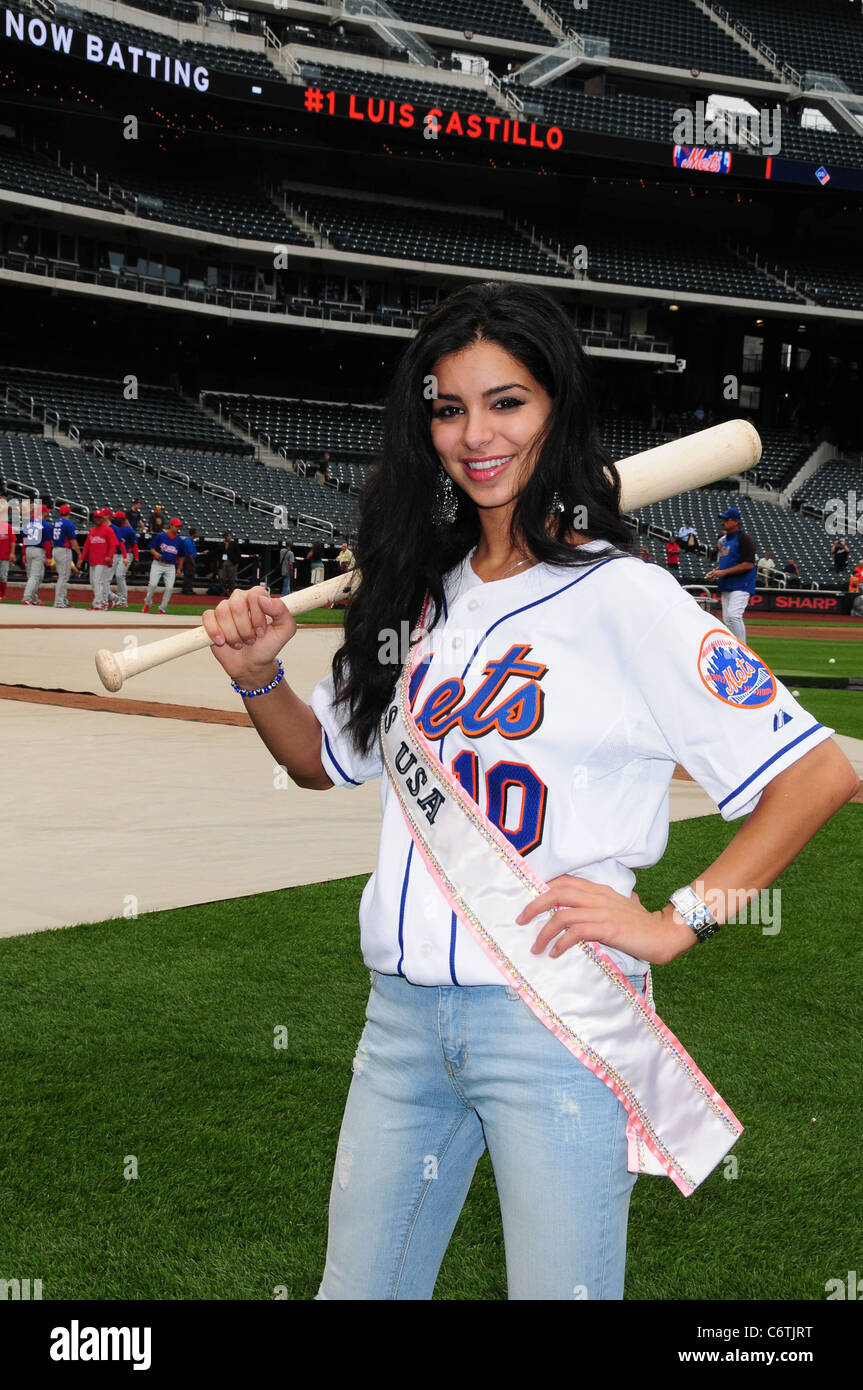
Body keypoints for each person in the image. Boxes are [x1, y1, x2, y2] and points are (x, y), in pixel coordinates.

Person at [201, 281, 859, 1301]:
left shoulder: (626, 597)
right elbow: (319, 759)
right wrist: (255, 677)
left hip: (552, 1016)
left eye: (506, 401)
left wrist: (678, 920)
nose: (475, 434)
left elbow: (814, 772)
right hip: (402, 1023)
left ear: (555, 412)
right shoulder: (413, 593)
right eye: (448, 406)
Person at [704, 506, 756, 642]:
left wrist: (723, 572)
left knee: (734, 616)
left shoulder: (744, 539)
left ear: (736, 522)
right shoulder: (724, 540)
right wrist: (716, 572)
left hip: (741, 584)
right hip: (727, 584)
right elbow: (726, 562)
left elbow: (749, 564)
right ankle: (733, 647)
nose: (723, 522)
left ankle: (743, 649)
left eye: (726, 520)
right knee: (727, 619)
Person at [79, 509, 123, 610]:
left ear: (103, 518)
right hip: (93, 560)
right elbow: (86, 546)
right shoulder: (92, 530)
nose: (98, 519)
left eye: (100, 517)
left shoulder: (108, 530)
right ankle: (106, 601)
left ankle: (98, 604)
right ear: (94, 519)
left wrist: (109, 556)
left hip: (103, 561)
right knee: (93, 582)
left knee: (98, 581)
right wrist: (81, 559)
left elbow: (113, 545)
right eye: (96, 517)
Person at [143, 517, 184, 613]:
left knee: (169, 588)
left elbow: (181, 556)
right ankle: (147, 603)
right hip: (158, 564)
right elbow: (151, 548)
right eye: (177, 526)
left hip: (170, 566)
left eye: (179, 527)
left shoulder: (180, 541)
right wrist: (155, 553)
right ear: (171, 526)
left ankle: (162, 609)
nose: (178, 528)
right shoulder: (161, 536)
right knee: (152, 585)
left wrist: (179, 569)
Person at [20, 504, 53, 606]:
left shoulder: (28, 523)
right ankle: (26, 598)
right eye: (45, 512)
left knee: (35, 576)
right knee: (34, 576)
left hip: (29, 549)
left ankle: (33, 598)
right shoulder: (46, 525)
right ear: (42, 513)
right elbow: (47, 543)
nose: (47, 513)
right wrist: (48, 556)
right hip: (38, 550)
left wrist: (24, 553)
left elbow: (24, 539)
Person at [51, 504, 81, 608]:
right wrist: (79, 553)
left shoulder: (56, 522)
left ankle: (63, 600)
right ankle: (59, 602)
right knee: (63, 577)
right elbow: (73, 540)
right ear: (69, 513)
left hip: (55, 549)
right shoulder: (68, 524)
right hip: (64, 550)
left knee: (62, 576)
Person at [109, 511, 139, 609]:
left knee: (119, 575)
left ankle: (123, 600)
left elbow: (134, 545)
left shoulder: (129, 530)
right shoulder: (115, 529)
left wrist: (137, 558)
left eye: (117, 518)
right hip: (115, 554)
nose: (115, 520)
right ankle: (115, 598)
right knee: (110, 577)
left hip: (127, 555)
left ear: (122, 519)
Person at [0, 497, 16, 600]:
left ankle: (2, 594)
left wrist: (12, 553)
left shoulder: (8, 527)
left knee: (3, 576)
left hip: (5, 555)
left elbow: (13, 540)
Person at [182, 527, 200, 595]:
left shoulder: (190, 540)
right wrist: (192, 561)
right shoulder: (188, 540)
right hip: (188, 559)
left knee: (190, 575)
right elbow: (189, 553)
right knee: (188, 574)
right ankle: (186, 590)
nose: (197, 534)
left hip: (189, 558)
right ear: (194, 533)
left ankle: (189, 589)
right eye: (196, 532)